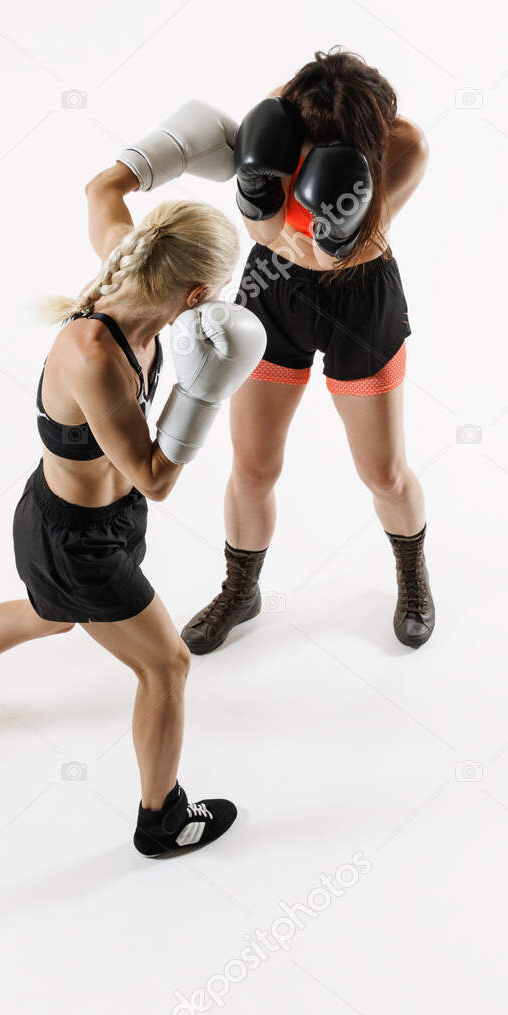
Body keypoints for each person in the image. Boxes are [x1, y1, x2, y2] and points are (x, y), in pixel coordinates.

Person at [0, 102, 264, 857]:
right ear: (193, 296)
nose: (221, 305)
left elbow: (103, 188)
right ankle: (163, 819)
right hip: (80, 542)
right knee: (167, 665)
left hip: (75, 524)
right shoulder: (95, 358)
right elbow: (154, 477)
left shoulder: (133, 261)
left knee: (49, 616)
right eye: (218, 293)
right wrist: (206, 389)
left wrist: (176, 150)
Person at [180, 48, 435, 655]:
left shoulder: (405, 147)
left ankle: (412, 576)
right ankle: (241, 589)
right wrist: (257, 189)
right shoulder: (280, 118)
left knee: (384, 473)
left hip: (360, 297)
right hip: (273, 293)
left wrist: (324, 228)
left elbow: (332, 253)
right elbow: (264, 233)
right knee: (252, 467)